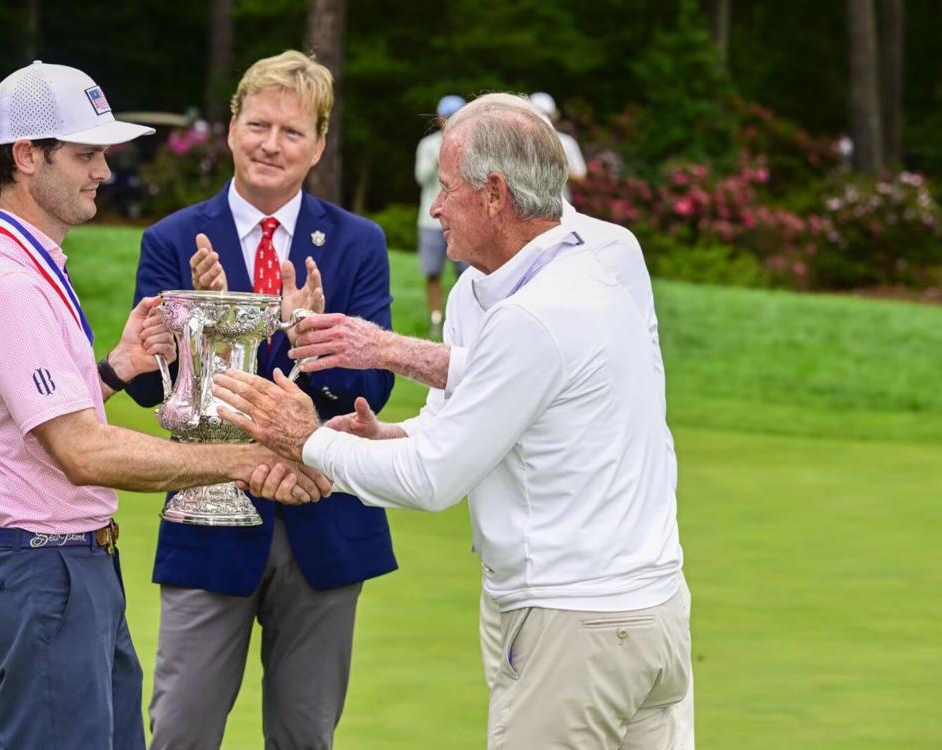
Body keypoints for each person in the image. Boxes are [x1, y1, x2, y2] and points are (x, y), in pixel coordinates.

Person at [213, 93, 692, 749]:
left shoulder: (532, 316)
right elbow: (495, 402)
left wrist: (308, 439)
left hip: (568, 623)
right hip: (655, 617)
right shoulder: (610, 252)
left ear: (495, 193)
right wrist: (385, 434)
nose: (434, 209)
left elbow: (434, 479)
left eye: (445, 188)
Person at [0, 61, 332, 750]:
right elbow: (83, 452)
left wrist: (114, 370)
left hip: (68, 568)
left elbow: (37, 423)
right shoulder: (8, 285)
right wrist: (253, 457)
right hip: (42, 571)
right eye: (84, 154)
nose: (103, 172)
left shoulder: (30, 267)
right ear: (26, 156)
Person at [124, 50, 397, 750]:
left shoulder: (357, 245)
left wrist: (303, 332)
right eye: (258, 125)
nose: (271, 144)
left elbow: (372, 388)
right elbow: (152, 389)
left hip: (324, 523)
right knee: (180, 730)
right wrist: (201, 324)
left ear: (319, 146)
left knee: (304, 736)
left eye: (292, 131)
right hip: (208, 518)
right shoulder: (173, 240)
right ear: (231, 128)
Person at [416, 94, 465, 339]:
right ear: (439, 119)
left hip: (463, 218)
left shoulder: (471, 144)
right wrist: (439, 159)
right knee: (432, 272)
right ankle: (436, 318)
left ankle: (462, 320)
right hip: (430, 220)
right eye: (448, 116)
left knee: (466, 272)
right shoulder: (428, 145)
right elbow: (421, 178)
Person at [529, 92, 586, 201]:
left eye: (544, 114)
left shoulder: (566, 142)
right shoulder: (517, 142)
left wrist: (555, 169)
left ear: (553, 116)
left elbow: (580, 177)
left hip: (558, 208)